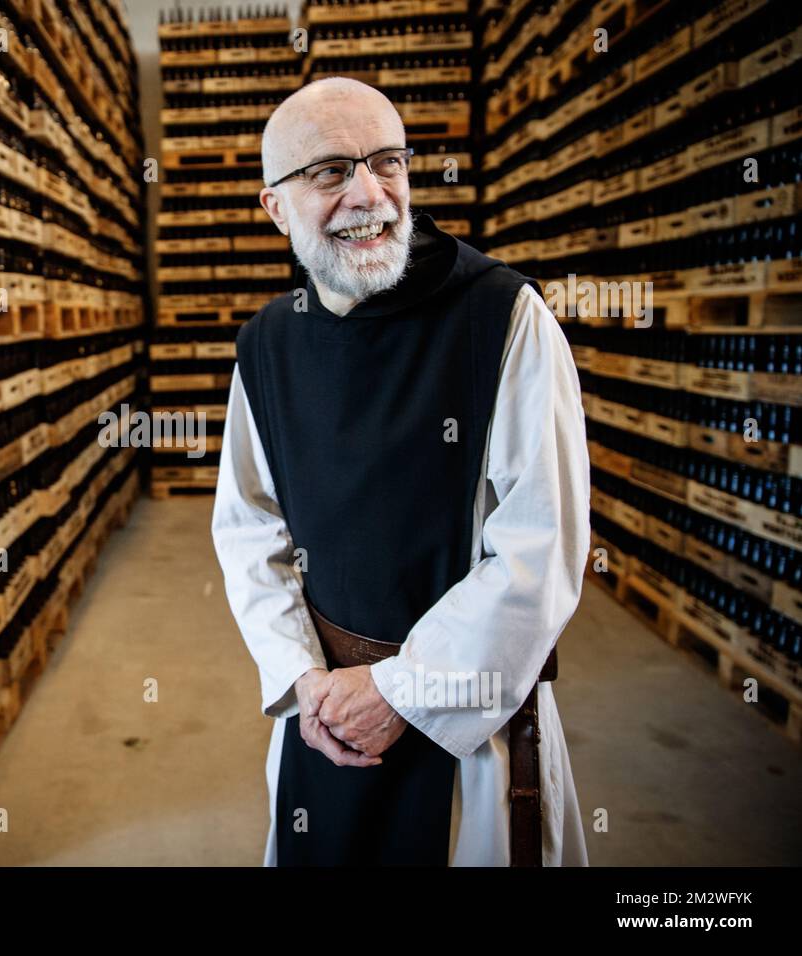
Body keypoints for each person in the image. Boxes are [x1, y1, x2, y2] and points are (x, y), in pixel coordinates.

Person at [210, 77, 591, 866]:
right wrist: (303, 680)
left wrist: (401, 691)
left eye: (388, 162)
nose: (368, 194)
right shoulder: (268, 347)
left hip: (467, 722)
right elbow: (249, 529)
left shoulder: (504, 318)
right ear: (275, 207)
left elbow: (541, 548)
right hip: (322, 714)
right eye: (329, 171)